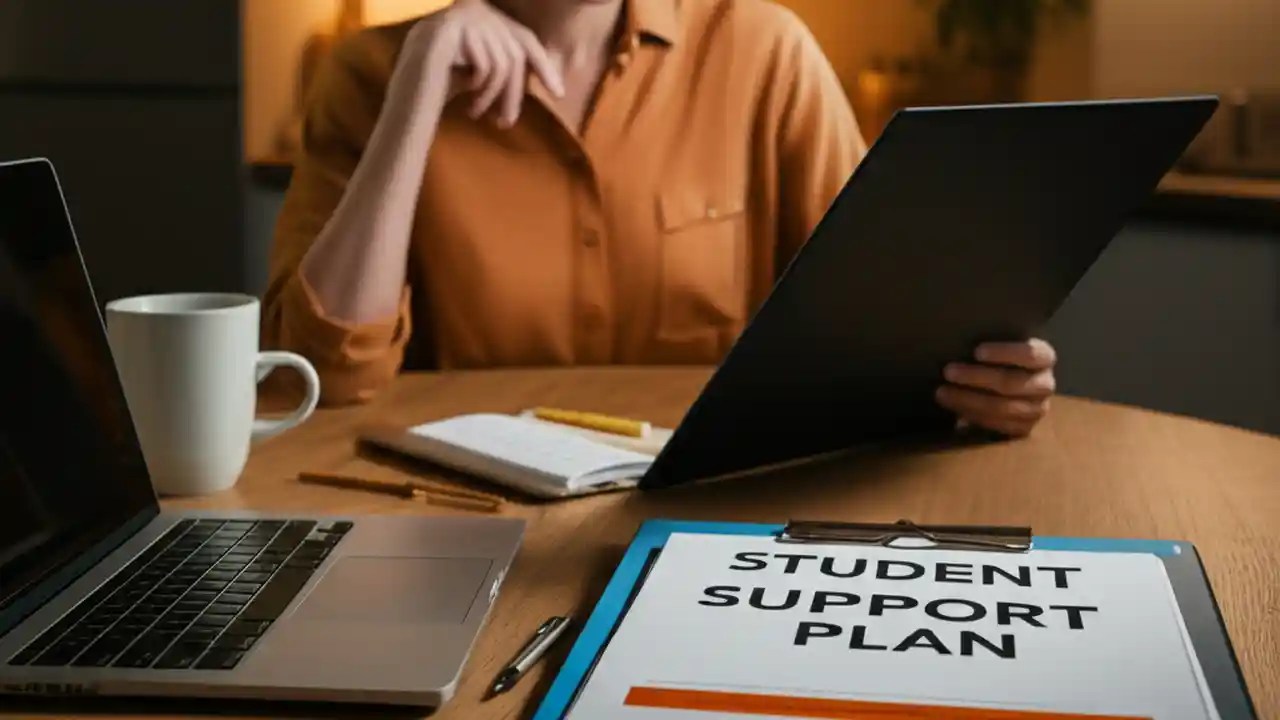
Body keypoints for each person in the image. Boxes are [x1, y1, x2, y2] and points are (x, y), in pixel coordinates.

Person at [263, 0, 1058, 438]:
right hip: (457, 522)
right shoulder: (371, 75)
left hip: (716, 520)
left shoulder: (765, 51)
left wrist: (981, 386)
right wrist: (419, 86)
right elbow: (322, 378)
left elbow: (889, 335)